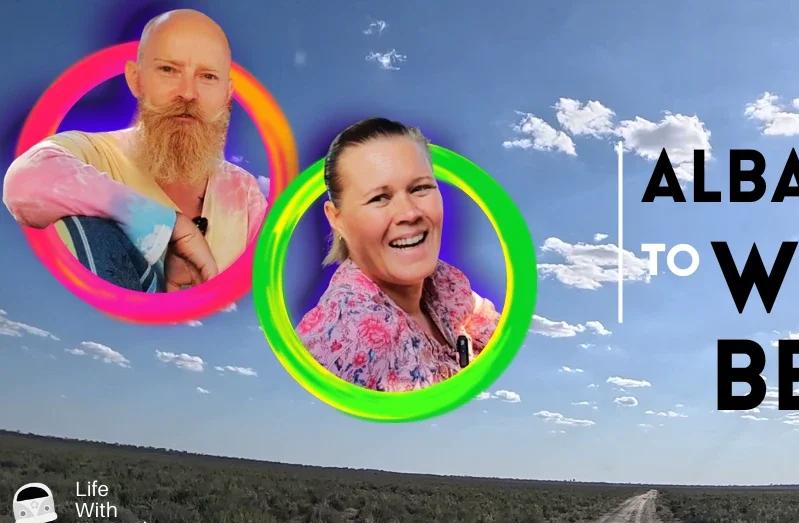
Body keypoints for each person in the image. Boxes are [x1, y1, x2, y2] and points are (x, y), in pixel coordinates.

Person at [2, 9, 266, 293]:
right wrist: (166, 226)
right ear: (135, 79)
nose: (188, 93)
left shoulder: (245, 193)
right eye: (169, 70)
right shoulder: (93, 153)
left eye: (208, 77)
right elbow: (23, 181)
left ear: (227, 94)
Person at [296, 118, 500, 392]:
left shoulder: (446, 283)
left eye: (420, 188)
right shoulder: (347, 340)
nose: (410, 213)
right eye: (379, 198)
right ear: (337, 218)